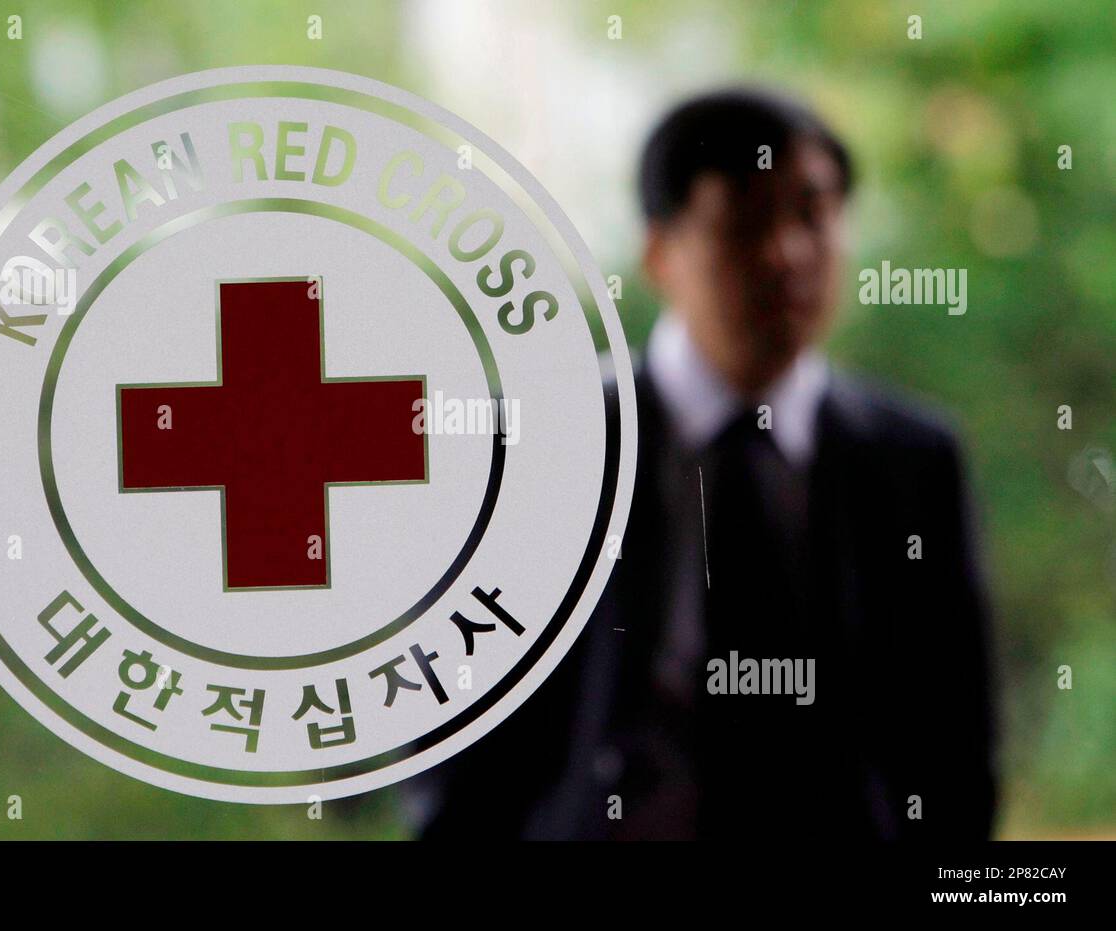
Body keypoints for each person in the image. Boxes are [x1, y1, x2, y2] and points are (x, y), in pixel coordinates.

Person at [414, 87, 999, 840]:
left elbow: (955, 736)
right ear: (660, 252)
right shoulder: (537, 442)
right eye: (744, 222)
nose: (787, 253)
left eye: (813, 215)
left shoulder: (912, 460)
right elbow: (457, 716)